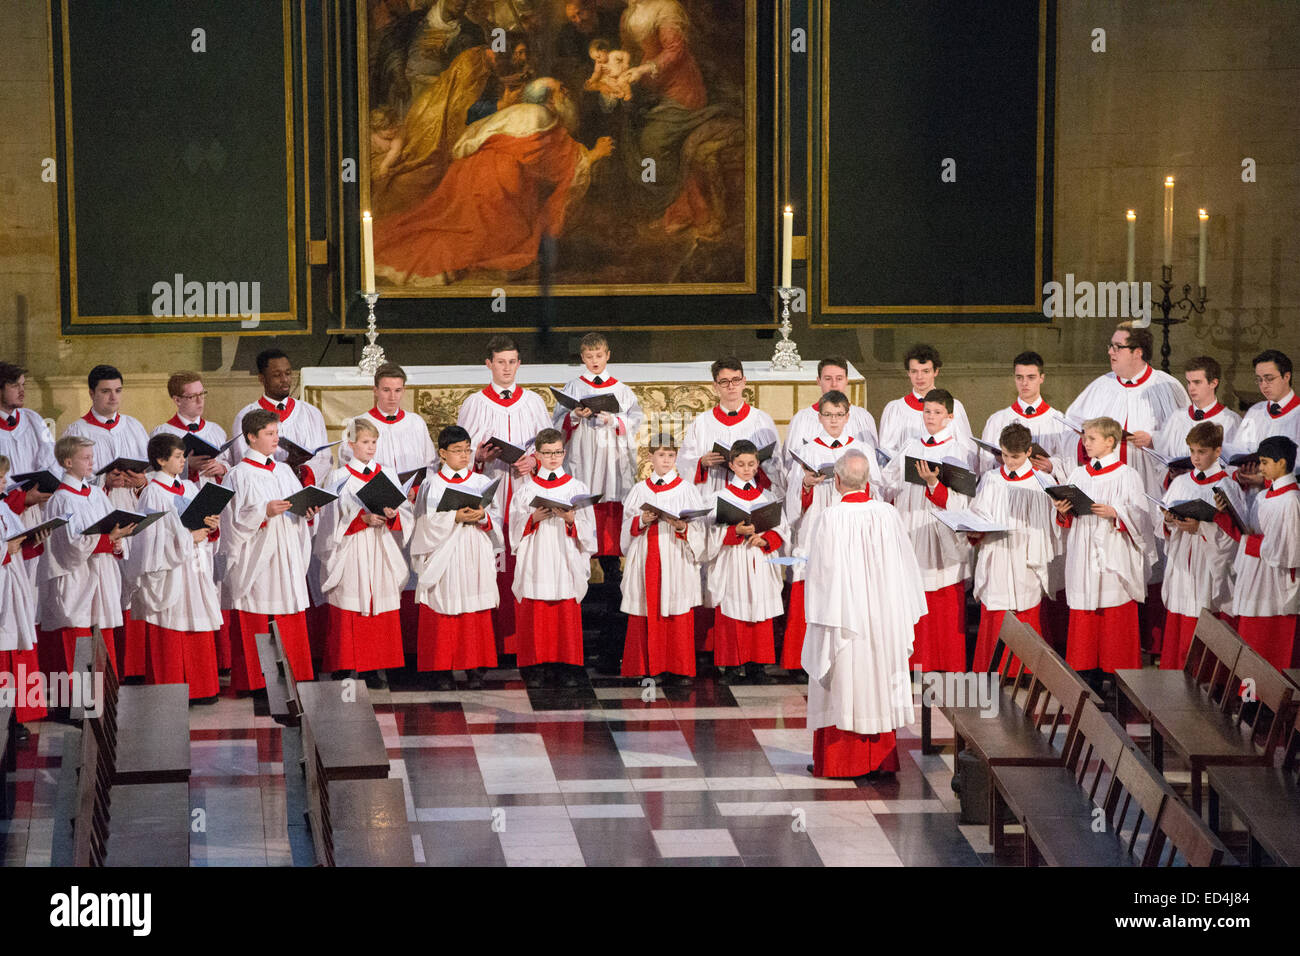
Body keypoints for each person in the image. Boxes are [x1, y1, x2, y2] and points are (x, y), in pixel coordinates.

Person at [373, 78, 615, 286]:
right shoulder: (541, 115)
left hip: (467, 174)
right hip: (497, 184)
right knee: (498, 242)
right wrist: (593, 155)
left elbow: (468, 141)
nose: (566, 93)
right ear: (549, 99)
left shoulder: (518, 111)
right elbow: (555, 159)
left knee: (459, 226)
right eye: (561, 90)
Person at [1065, 324, 1188, 659]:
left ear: (1138, 352)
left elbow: (1187, 435)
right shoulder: (1100, 386)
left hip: (1147, 484)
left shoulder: (1167, 385)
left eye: (1117, 346)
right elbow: (1071, 431)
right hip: (1102, 489)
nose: (1110, 352)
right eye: (1110, 345)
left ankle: (1155, 643)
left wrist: (1154, 439)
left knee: (1155, 556)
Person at [803, 449, 927, 780]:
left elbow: (820, 578)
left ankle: (841, 762)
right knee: (878, 682)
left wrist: (817, 621)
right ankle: (880, 761)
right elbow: (905, 570)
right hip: (883, 619)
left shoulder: (829, 517)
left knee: (846, 681)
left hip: (845, 620)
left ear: (837, 480)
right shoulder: (888, 515)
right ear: (868, 480)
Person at [457, 335, 551, 656]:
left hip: (525, 491)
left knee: (526, 562)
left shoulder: (534, 402)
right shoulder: (475, 403)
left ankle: (524, 643)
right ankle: (491, 645)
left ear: (519, 363)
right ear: (489, 364)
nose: (507, 368)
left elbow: (549, 447)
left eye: (512, 362)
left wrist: (534, 460)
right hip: (491, 492)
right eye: (501, 362)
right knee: (492, 563)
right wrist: (480, 458)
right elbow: (460, 454)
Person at [337, 361, 437, 662]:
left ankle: (407, 647)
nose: (392, 397)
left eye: (398, 390)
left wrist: (417, 489)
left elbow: (430, 467)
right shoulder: (359, 423)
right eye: (386, 390)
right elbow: (347, 472)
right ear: (375, 390)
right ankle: (374, 653)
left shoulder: (416, 423)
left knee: (406, 573)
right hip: (369, 519)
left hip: (405, 513)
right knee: (374, 580)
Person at [553, 332, 642, 668]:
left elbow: (636, 423)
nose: (594, 360)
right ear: (582, 357)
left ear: (608, 354)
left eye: (599, 354)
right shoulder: (573, 387)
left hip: (611, 468)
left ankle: (612, 635)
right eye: (589, 355)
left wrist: (612, 419)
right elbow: (555, 427)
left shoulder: (621, 389)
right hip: (583, 466)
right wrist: (574, 417)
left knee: (611, 552)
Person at [219, 409, 320, 693]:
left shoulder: (284, 470)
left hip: (285, 550)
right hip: (257, 555)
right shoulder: (238, 475)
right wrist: (263, 512)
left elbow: (296, 509)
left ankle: (294, 674)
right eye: (269, 434)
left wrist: (307, 512)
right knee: (257, 612)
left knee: (288, 609)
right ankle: (257, 681)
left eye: (277, 433)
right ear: (251, 437)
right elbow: (230, 520)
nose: (276, 439)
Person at [878, 389, 979, 673]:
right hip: (912, 525)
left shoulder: (958, 451)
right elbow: (888, 482)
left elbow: (964, 501)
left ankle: (947, 663)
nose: (930, 417)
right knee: (913, 592)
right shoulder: (911, 446)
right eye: (926, 412)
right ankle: (915, 662)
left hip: (939, 530)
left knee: (944, 598)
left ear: (949, 416)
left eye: (936, 412)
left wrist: (934, 485)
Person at [781, 390, 877, 673]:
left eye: (839, 415)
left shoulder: (862, 450)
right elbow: (793, 501)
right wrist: (807, 485)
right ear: (819, 417)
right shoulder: (808, 450)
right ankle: (803, 662)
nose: (833, 420)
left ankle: (848, 656)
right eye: (828, 415)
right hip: (816, 529)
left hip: (852, 531)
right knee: (812, 590)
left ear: (848, 416)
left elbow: (877, 492)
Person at [122, 434, 222, 703]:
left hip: (193, 566)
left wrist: (210, 526)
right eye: (177, 457)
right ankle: (172, 689)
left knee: (196, 621)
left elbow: (199, 524)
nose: (182, 461)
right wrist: (189, 538)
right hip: (171, 570)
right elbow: (151, 538)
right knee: (171, 626)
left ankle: (202, 688)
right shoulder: (154, 491)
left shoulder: (188, 488)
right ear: (160, 460)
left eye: (182, 456)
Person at [1053, 417, 1153, 684]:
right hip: (1083, 549)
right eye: (1084, 437)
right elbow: (1067, 518)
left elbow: (1142, 516)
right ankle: (1086, 677)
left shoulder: (1127, 475)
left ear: (1110, 442)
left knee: (1113, 614)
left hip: (1113, 550)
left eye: (1091, 438)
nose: (1085, 443)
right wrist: (1063, 512)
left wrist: (1115, 513)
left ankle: (1119, 680)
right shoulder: (1078, 474)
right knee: (1085, 612)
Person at [315, 418, 410, 690]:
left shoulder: (388, 474)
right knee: (350, 602)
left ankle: (373, 667)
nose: (371, 448)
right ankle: (344, 666)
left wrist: (392, 515)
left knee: (379, 601)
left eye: (374, 443)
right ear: (351, 444)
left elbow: (404, 512)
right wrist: (361, 520)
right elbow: (329, 520)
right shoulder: (338, 477)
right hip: (352, 548)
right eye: (365, 442)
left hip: (380, 545)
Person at [410, 425, 503, 690]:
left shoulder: (481, 483)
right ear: (442, 453)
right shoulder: (431, 484)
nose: (464, 456)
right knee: (444, 606)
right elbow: (423, 524)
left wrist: (483, 517)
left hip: (473, 548)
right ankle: (442, 671)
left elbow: (495, 517)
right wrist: (454, 517)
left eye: (467, 450)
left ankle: (475, 668)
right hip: (444, 553)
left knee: (475, 606)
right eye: (457, 451)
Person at [35, 436, 136, 677]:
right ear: (68, 462)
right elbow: (69, 545)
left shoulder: (96, 494)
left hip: (101, 573)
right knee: (77, 635)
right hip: (76, 577)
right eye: (85, 458)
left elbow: (112, 526)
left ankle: (103, 699)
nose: (92, 462)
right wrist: (107, 539)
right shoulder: (61, 499)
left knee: (103, 633)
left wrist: (119, 540)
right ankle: (77, 704)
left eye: (92, 457)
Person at [967, 423, 1062, 672]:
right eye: (1005, 456)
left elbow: (1053, 525)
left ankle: (1026, 673)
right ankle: (992, 670)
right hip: (996, 554)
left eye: (1015, 457)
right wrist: (974, 529)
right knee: (995, 614)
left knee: (1025, 614)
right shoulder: (991, 479)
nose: (1009, 462)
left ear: (1029, 452)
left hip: (1025, 557)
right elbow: (977, 513)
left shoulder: (1042, 482)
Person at [509, 428, 597, 687]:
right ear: (537, 455)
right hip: (537, 553)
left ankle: (567, 665)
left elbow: (588, 528)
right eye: (547, 453)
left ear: (564, 452)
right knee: (536, 609)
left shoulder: (577, 487)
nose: (553, 458)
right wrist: (532, 519)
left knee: (565, 608)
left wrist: (572, 520)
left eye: (558, 452)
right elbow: (515, 525)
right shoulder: (526, 490)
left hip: (565, 554)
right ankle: (535, 667)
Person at [619, 433, 706, 683]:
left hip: (675, 554)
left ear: (676, 457)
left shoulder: (687, 490)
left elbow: (699, 528)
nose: (666, 461)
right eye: (661, 455)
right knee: (646, 609)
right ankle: (648, 667)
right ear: (650, 457)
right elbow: (627, 526)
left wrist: (682, 527)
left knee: (676, 611)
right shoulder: (639, 490)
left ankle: (679, 669)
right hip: (647, 552)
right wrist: (640, 521)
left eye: (670, 455)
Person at [1158, 422, 1245, 670]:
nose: (1195, 458)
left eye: (1202, 452)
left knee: (1203, 616)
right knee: (1180, 618)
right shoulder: (1181, 482)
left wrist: (1202, 527)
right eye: (1193, 451)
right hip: (1183, 558)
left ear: (1217, 452)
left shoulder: (1227, 486)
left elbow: (1234, 535)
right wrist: (1168, 519)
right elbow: (1163, 514)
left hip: (1208, 562)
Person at [702, 439, 788, 684]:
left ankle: (758, 668)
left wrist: (766, 540)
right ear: (731, 465)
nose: (747, 469)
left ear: (757, 464)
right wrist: (734, 532)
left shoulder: (769, 496)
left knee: (760, 611)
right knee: (732, 610)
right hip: (734, 558)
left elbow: (782, 530)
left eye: (751, 464)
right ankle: (731, 667)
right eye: (741, 464)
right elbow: (709, 533)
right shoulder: (719, 497)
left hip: (759, 558)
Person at [1216, 435, 1300, 670]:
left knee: (1270, 650)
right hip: (1255, 578)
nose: (1260, 468)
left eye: (1264, 462)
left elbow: (1289, 550)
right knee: (1251, 648)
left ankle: (1266, 704)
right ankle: (1250, 700)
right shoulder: (1264, 496)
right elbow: (1250, 532)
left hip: (1276, 586)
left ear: (1282, 463)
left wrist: (1250, 541)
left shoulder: (1291, 500)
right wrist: (1228, 515)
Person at [678, 357, 784, 496]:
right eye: (724, 382)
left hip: (752, 494)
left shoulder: (761, 420)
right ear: (715, 386)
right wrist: (702, 462)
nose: (731, 386)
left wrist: (754, 463)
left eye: (736, 380)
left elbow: (777, 464)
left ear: (744, 382)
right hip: (714, 492)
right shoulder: (702, 422)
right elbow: (684, 462)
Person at [229, 349, 334, 488]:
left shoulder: (311, 413)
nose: (285, 380)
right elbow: (243, 458)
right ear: (262, 379)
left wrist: (302, 472)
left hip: (305, 492)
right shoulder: (245, 416)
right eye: (277, 375)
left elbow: (323, 458)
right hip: (265, 493)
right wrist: (282, 476)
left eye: (288, 373)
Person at [0, 453, 51, 735]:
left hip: (12, 586)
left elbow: (17, 544)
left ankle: (16, 716)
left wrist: (33, 540)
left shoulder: (4, 509)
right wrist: (7, 550)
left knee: (15, 649)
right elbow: (7, 547)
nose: (5, 483)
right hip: (2, 590)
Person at [60, 365, 152, 511]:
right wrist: (104, 482)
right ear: (91, 393)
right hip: (95, 511)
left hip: (133, 509)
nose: (113, 397)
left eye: (118, 391)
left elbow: (152, 471)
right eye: (106, 391)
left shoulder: (133, 426)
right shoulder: (77, 432)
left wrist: (141, 482)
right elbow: (65, 480)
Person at [977, 350, 1075, 478]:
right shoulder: (997, 420)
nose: (1024, 383)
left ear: (1042, 378)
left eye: (1031, 377)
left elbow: (1071, 465)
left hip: (1043, 493)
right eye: (1019, 377)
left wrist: (1051, 466)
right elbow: (984, 465)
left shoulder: (1059, 420)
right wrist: (1001, 459)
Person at [782, 356, 878, 467]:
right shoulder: (802, 418)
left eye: (839, 378)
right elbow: (790, 463)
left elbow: (874, 460)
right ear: (818, 381)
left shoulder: (863, 417)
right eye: (828, 379)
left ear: (847, 380)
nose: (834, 384)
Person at [877, 344, 973, 453]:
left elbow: (967, 449)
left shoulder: (954, 406)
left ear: (936, 371)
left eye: (925, 371)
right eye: (914, 371)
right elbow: (885, 451)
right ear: (908, 373)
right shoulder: (895, 409)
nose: (919, 377)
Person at [1153, 355, 1242, 466]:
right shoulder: (1177, 417)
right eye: (1189, 382)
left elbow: (1234, 464)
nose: (1191, 388)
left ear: (1213, 383)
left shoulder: (1230, 420)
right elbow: (1162, 459)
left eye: (1197, 382)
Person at [1236, 350, 1300, 489]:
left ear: (1286, 376)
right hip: (1254, 498)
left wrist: (1265, 481)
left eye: (1269, 378)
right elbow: (1238, 451)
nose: (1263, 385)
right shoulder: (1254, 412)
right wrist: (1241, 473)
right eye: (1259, 379)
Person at [151, 371, 229, 485]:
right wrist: (187, 465)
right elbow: (152, 474)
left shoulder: (216, 430)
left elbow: (231, 463)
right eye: (192, 396)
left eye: (202, 394)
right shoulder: (162, 434)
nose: (200, 400)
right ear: (177, 400)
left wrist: (222, 469)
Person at [0, 362, 57, 519]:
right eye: (14, 386)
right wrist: (21, 498)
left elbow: (51, 458)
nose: (22, 391)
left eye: (23, 385)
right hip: (5, 513)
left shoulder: (33, 419)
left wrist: (42, 487)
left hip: (36, 509)